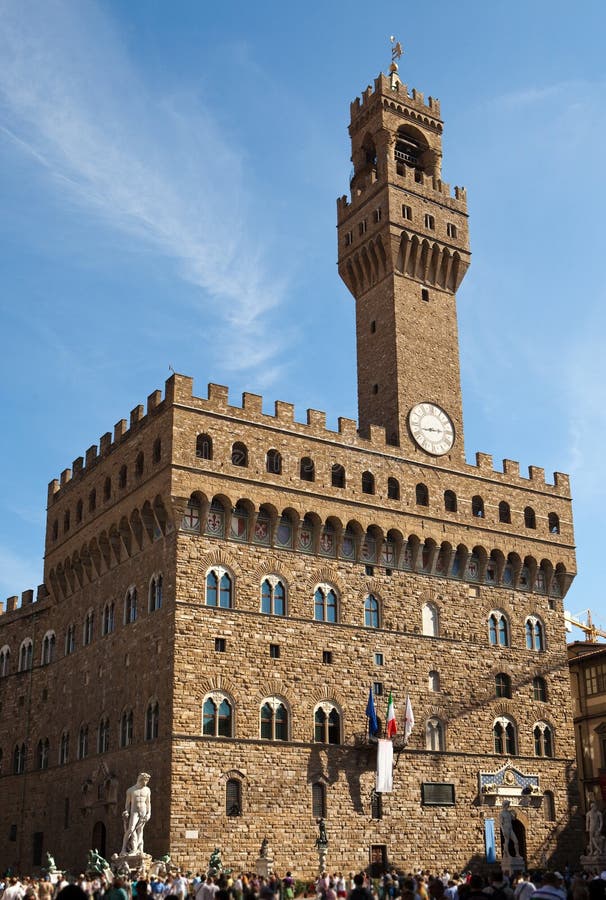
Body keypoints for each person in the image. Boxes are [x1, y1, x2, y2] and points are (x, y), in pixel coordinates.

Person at [121, 772, 152, 855]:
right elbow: (127, 804)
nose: (145, 783)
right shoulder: (131, 790)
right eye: (144, 781)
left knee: (140, 830)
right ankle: (123, 848)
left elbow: (148, 803)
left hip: (143, 811)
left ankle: (139, 849)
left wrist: (149, 814)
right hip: (134, 811)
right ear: (140, 780)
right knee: (131, 829)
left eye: (147, 781)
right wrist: (126, 811)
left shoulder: (147, 790)